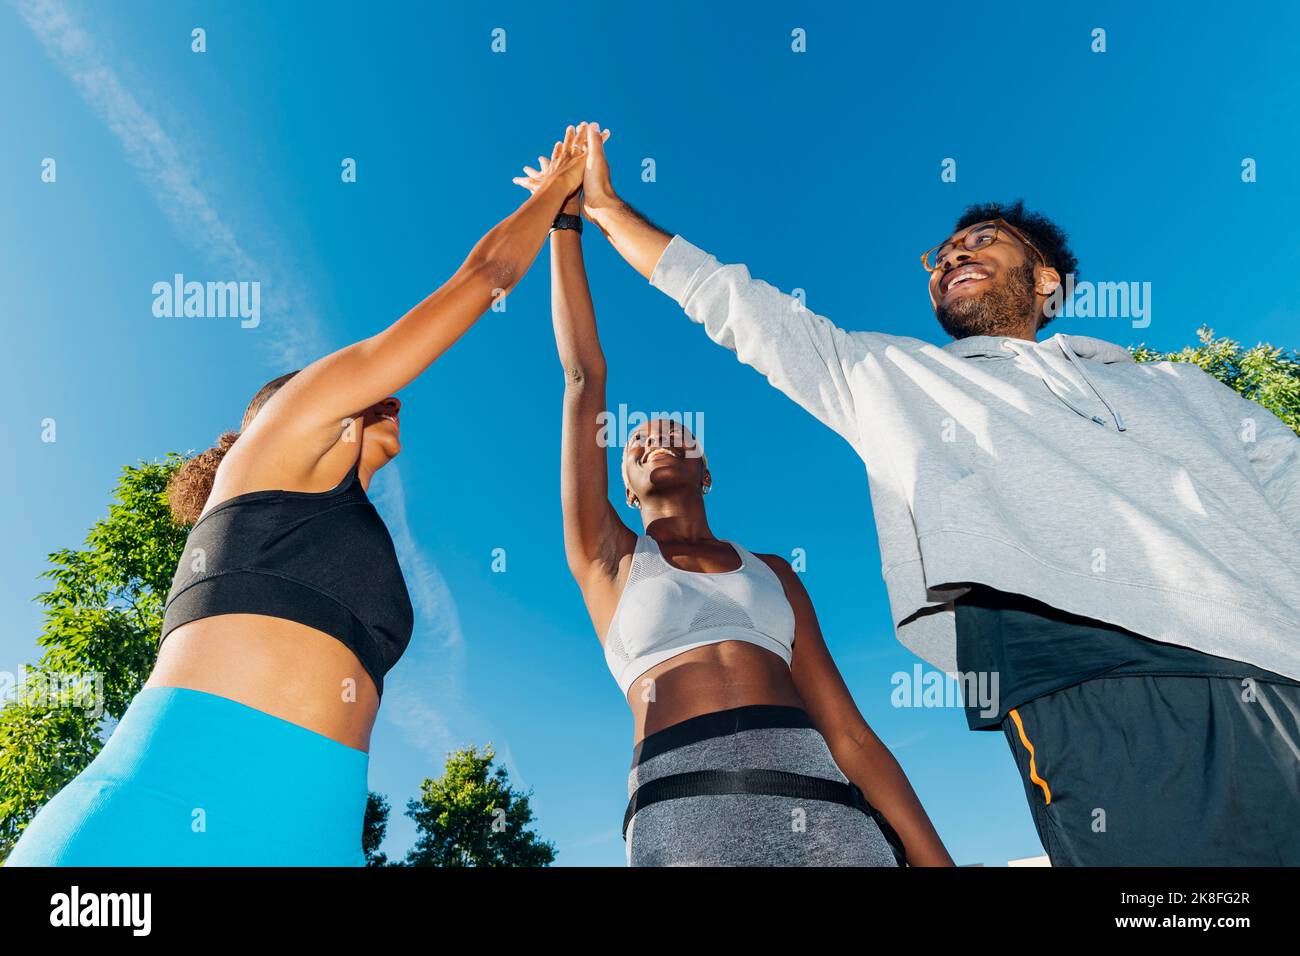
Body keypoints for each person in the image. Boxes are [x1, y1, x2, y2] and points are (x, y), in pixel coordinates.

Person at [572, 122, 1300, 866]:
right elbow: (737, 307)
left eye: (981, 240)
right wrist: (602, 208)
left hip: (1279, 660)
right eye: (942, 255)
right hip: (1088, 673)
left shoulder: (1177, 387)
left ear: (1047, 279)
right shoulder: (891, 377)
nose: (954, 255)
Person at [7, 126, 594, 866]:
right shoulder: (276, 438)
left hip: (315, 842)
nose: (382, 391)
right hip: (153, 825)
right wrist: (556, 192)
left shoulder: (347, 522)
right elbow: (482, 279)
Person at [514, 128, 953, 867]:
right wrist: (564, 221)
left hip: (824, 808)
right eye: (636, 444)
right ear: (622, 482)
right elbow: (584, 375)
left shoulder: (774, 572)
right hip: (685, 821)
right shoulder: (607, 561)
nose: (653, 442)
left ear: (706, 471)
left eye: (675, 437)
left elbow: (849, 733)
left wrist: (933, 860)